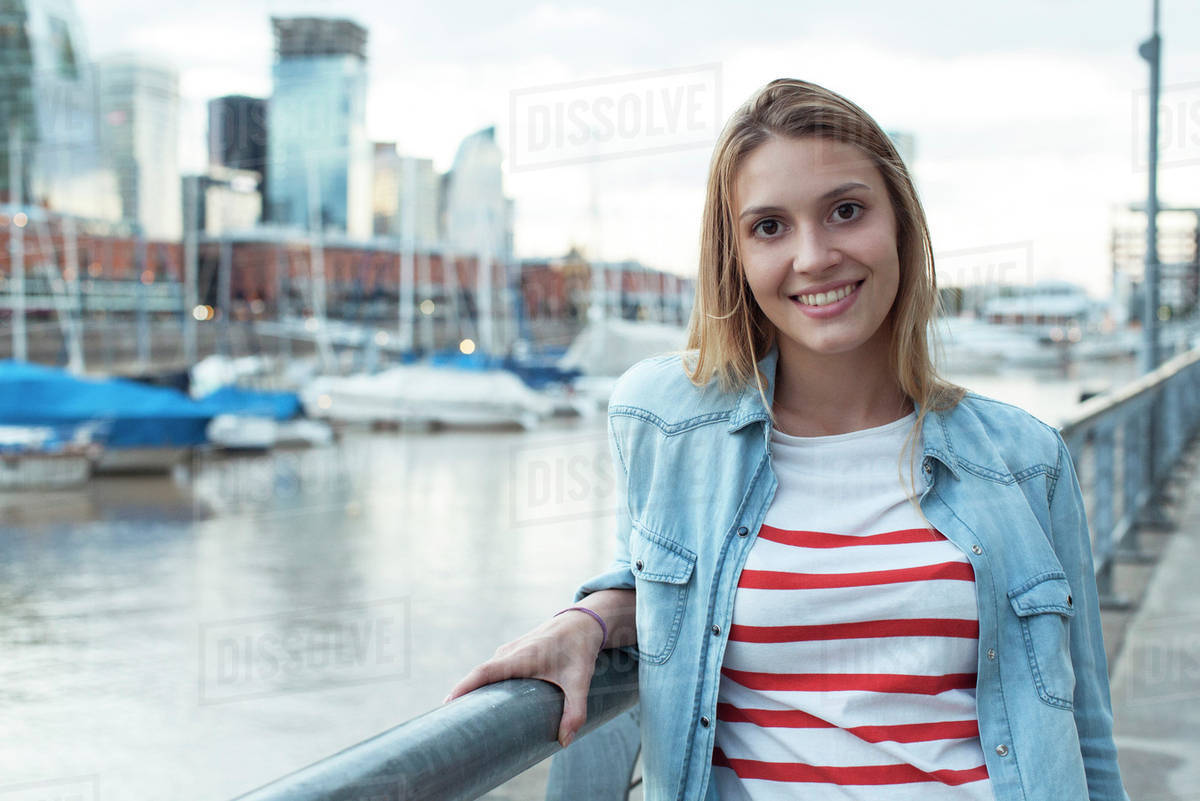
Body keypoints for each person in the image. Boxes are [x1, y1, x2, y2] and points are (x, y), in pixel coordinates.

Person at [447, 78, 1130, 801]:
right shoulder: (665, 422)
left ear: (900, 222)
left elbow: (1084, 731)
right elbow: (654, 570)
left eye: (845, 210)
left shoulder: (1026, 459)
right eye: (769, 226)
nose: (814, 256)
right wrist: (588, 617)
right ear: (734, 255)